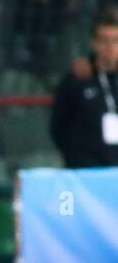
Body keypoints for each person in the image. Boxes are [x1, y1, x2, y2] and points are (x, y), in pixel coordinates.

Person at [50, 10, 118, 169]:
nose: (110, 47)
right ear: (94, 43)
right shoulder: (77, 80)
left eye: (115, 41)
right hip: (87, 171)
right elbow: (58, 125)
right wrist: (75, 158)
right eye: (104, 40)